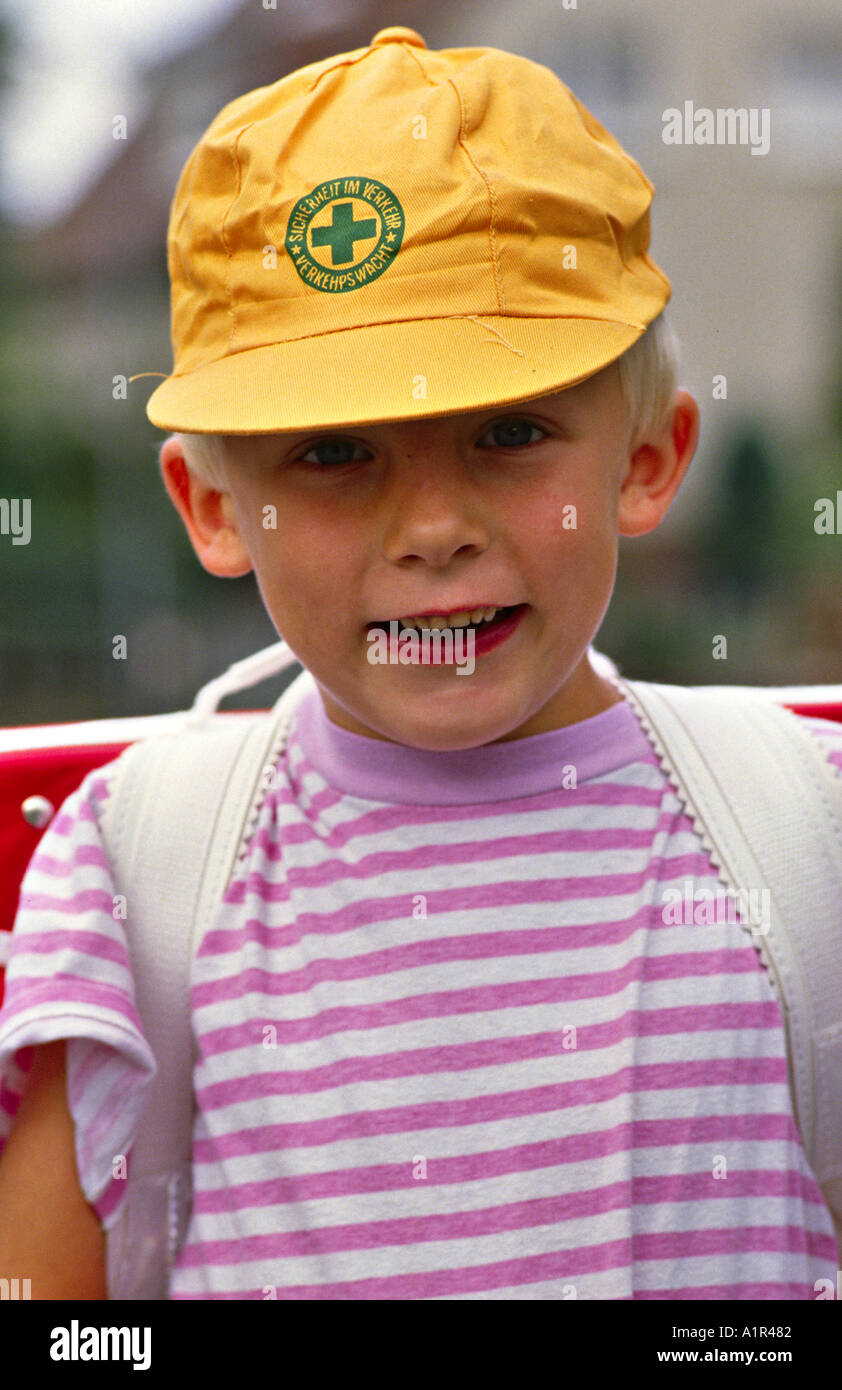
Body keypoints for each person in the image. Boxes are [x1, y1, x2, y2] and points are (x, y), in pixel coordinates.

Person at [1, 26, 840, 1301]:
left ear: (646, 459)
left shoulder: (810, 829)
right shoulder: (134, 876)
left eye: (509, 431)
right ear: (213, 505)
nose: (433, 526)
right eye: (333, 453)